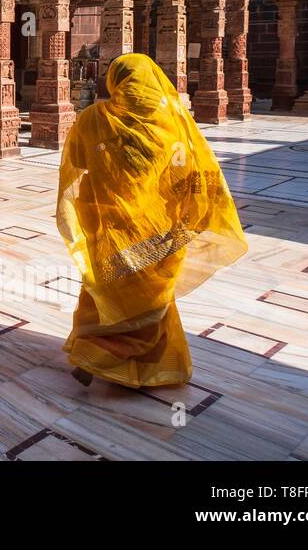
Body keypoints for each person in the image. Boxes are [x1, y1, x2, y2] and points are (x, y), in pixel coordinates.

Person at [56, 53, 247, 388]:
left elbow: (78, 162)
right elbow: (193, 172)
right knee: (153, 296)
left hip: (110, 225)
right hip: (160, 228)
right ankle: (137, 362)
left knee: (106, 290)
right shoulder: (173, 121)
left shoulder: (93, 119)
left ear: (115, 81)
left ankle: (97, 355)